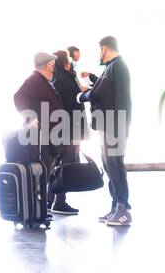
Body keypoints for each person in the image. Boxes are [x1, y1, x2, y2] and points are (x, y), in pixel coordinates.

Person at [78, 35, 133, 226]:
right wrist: (93, 78)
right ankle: (115, 207)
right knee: (110, 166)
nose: (99, 54)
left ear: (104, 49)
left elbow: (102, 91)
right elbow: (104, 85)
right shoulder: (112, 67)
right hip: (110, 125)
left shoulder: (116, 66)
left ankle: (123, 210)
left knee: (116, 167)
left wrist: (82, 95)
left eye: (100, 50)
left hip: (115, 125)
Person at [13, 52, 67, 211]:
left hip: (50, 134)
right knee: (42, 172)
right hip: (42, 134)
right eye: (51, 64)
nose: (53, 67)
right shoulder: (34, 80)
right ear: (46, 65)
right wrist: (30, 119)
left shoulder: (43, 81)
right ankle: (36, 210)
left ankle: (40, 210)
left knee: (47, 171)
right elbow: (18, 97)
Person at [48, 49, 87, 215]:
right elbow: (72, 106)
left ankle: (52, 199)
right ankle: (59, 201)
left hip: (65, 128)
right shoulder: (64, 80)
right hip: (69, 129)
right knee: (64, 166)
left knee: (59, 165)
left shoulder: (59, 77)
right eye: (70, 59)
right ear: (65, 62)